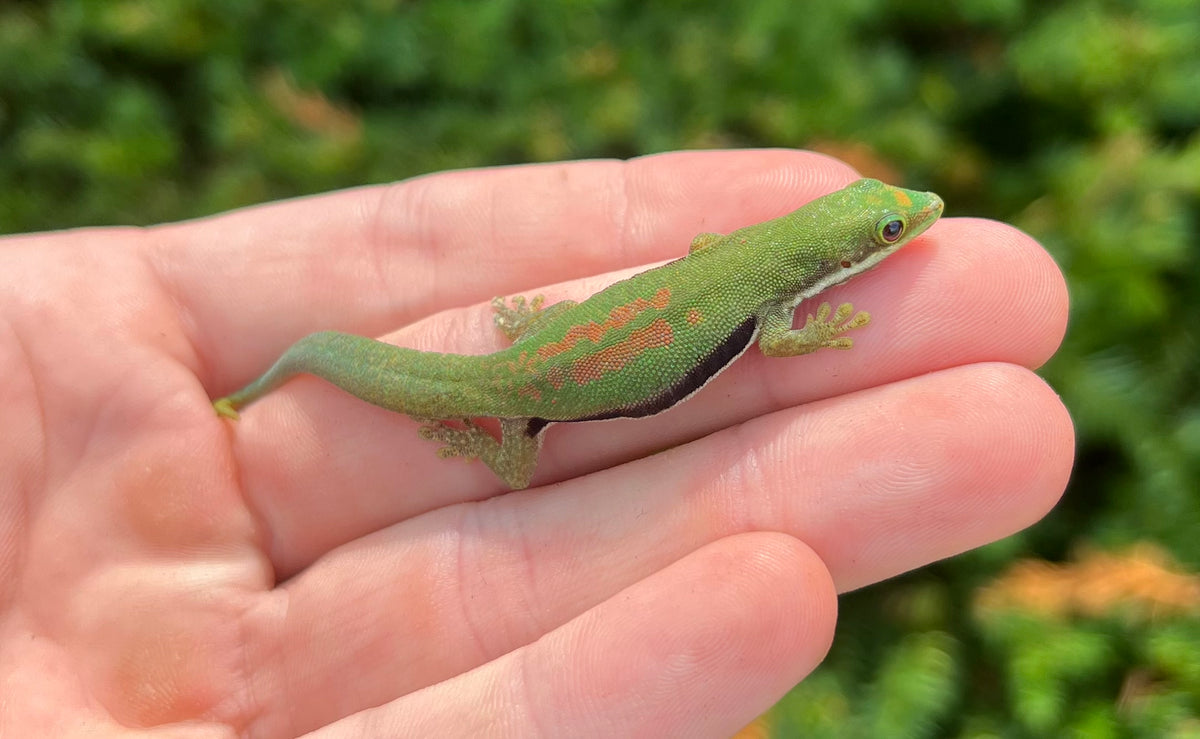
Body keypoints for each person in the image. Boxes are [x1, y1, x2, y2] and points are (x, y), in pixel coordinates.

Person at [0, 150, 1072, 736]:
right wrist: (820, 330)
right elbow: (776, 337)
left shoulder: (754, 250)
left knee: (362, 357)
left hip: (555, 344)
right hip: (529, 399)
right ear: (829, 250)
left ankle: (326, 377)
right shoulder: (785, 300)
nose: (915, 218)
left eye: (891, 220)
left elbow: (705, 256)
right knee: (495, 432)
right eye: (886, 227)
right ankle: (459, 426)